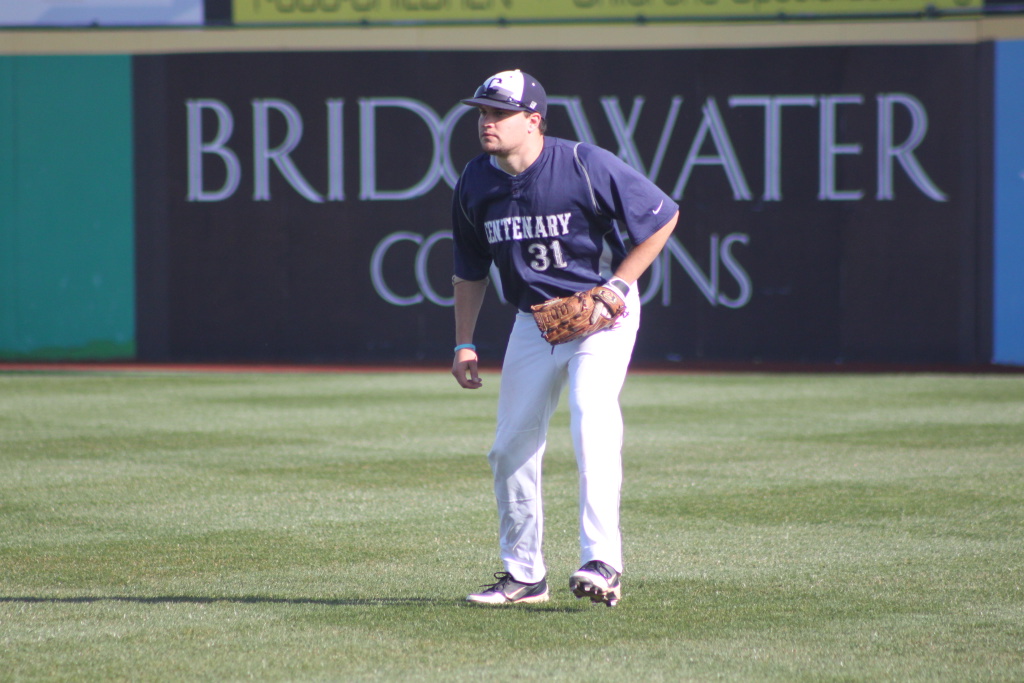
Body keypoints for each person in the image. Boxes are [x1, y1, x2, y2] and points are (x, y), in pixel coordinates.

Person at [450, 69, 679, 607]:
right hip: (534, 320)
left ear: (533, 121)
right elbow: (470, 268)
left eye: (498, 113)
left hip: (603, 315)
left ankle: (603, 561)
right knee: (508, 447)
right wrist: (464, 341)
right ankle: (524, 575)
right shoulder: (476, 181)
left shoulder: (582, 162)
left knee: (589, 416)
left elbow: (663, 215)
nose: (486, 122)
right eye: (482, 113)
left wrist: (619, 285)